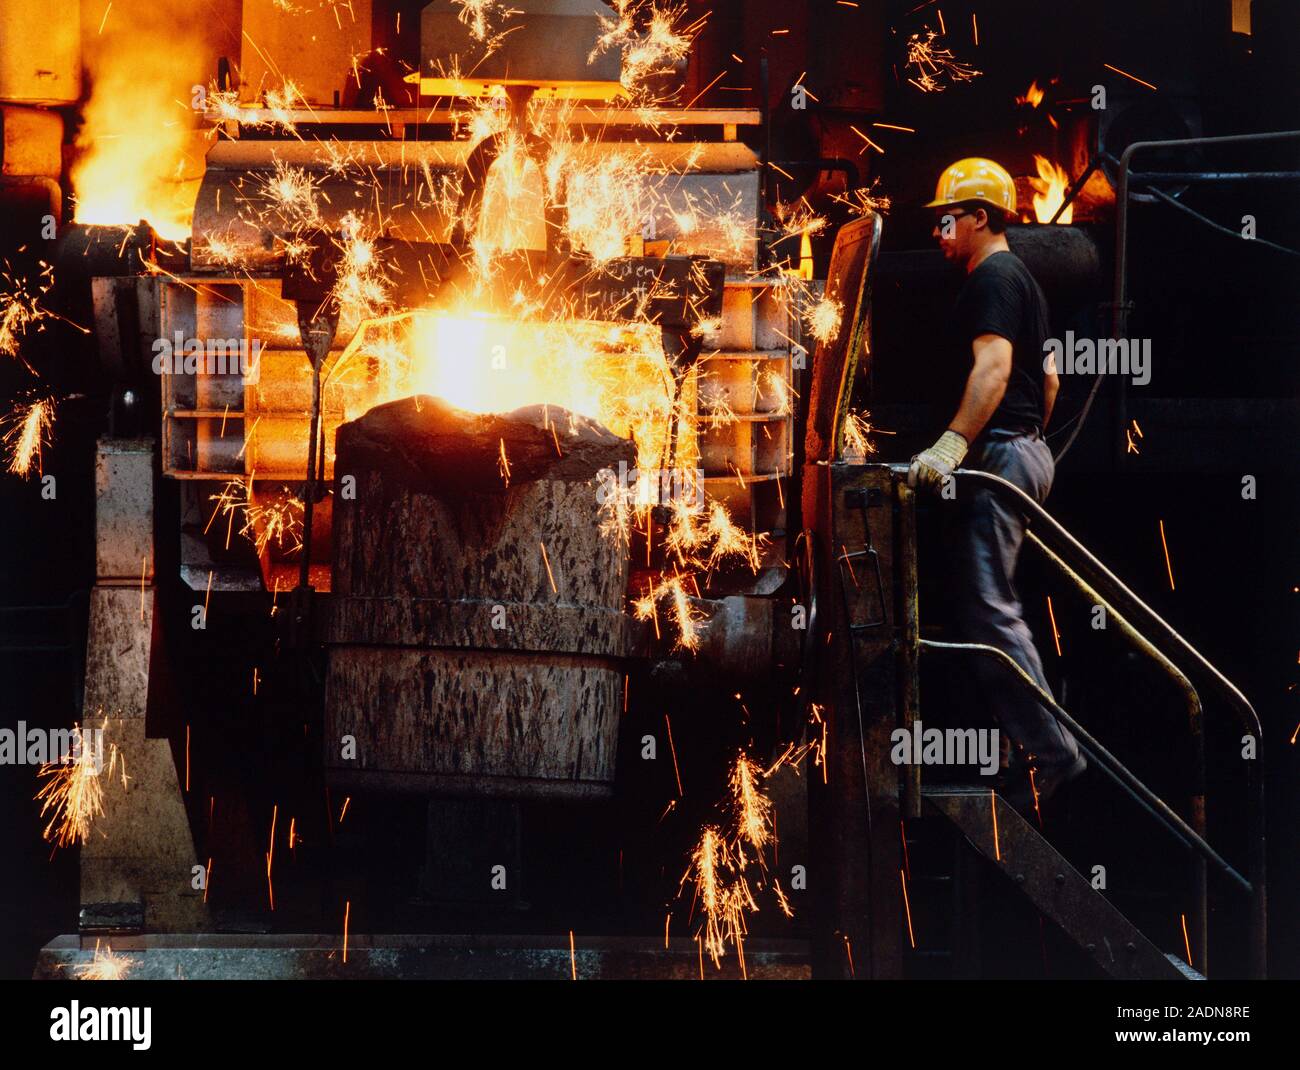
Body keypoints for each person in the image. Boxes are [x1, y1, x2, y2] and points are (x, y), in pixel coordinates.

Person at [908, 157, 1086, 813]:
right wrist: (1027, 440)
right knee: (986, 605)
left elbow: (996, 366)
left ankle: (1051, 753)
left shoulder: (992, 278)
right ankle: (1022, 753)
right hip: (1025, 454)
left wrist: (957, 442)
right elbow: (1050, 380)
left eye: (946, 219)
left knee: (987, 607)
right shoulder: (1026, 282)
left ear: (980, 217)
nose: (938, 232)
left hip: (1006, 456)